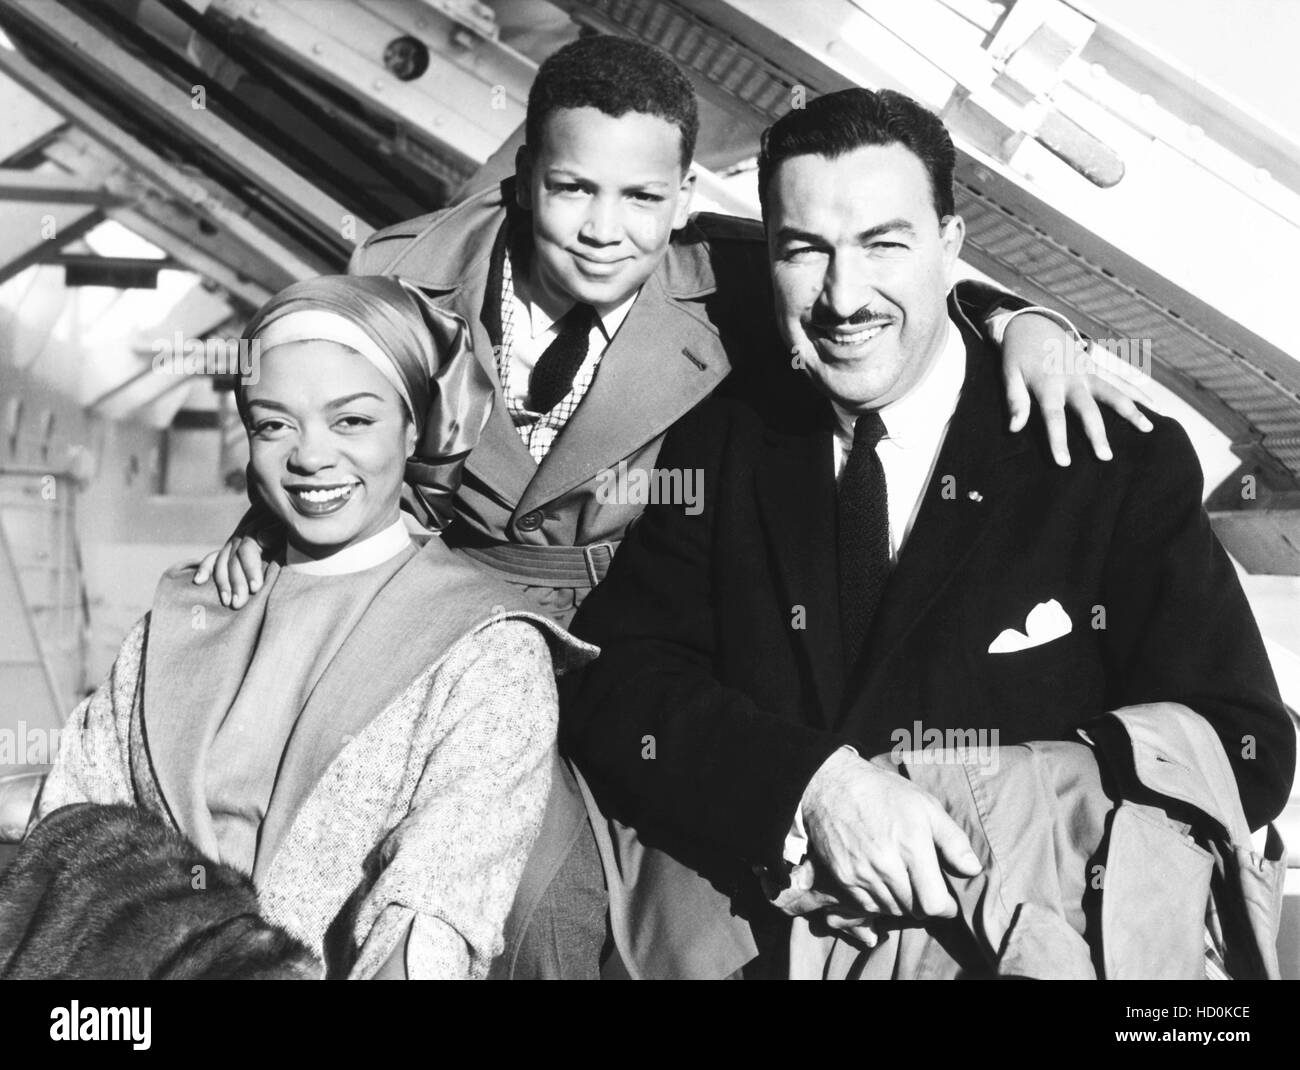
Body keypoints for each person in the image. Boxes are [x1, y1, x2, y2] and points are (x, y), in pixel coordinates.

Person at [196, 38, 1151, 980]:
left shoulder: (734, 278)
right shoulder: (401, 278)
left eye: (645, 197)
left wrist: (1025, 322)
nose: (607, 229)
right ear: (527, 178)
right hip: (443, 638)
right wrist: (271, 523)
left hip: (622, 650)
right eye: (574, 189)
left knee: (671, 934)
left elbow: (874, 274)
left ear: (685, 194)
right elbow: (315, 414)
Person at [564, 87, 1296, 977]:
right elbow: (622, 679)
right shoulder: (725, 436)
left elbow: (1244, 745)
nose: (843, 295)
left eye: (884, 244)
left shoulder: (1109, 462)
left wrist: (957, 807)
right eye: (804, 251)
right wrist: (811, 791)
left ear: (950, 247)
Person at [15, 276, 594, 979]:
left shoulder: (489, 651)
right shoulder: (181, 617)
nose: (311, 457)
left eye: (352, 421)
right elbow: (66, 833)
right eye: (273, 424)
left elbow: (434, 916)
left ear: (417, 426)